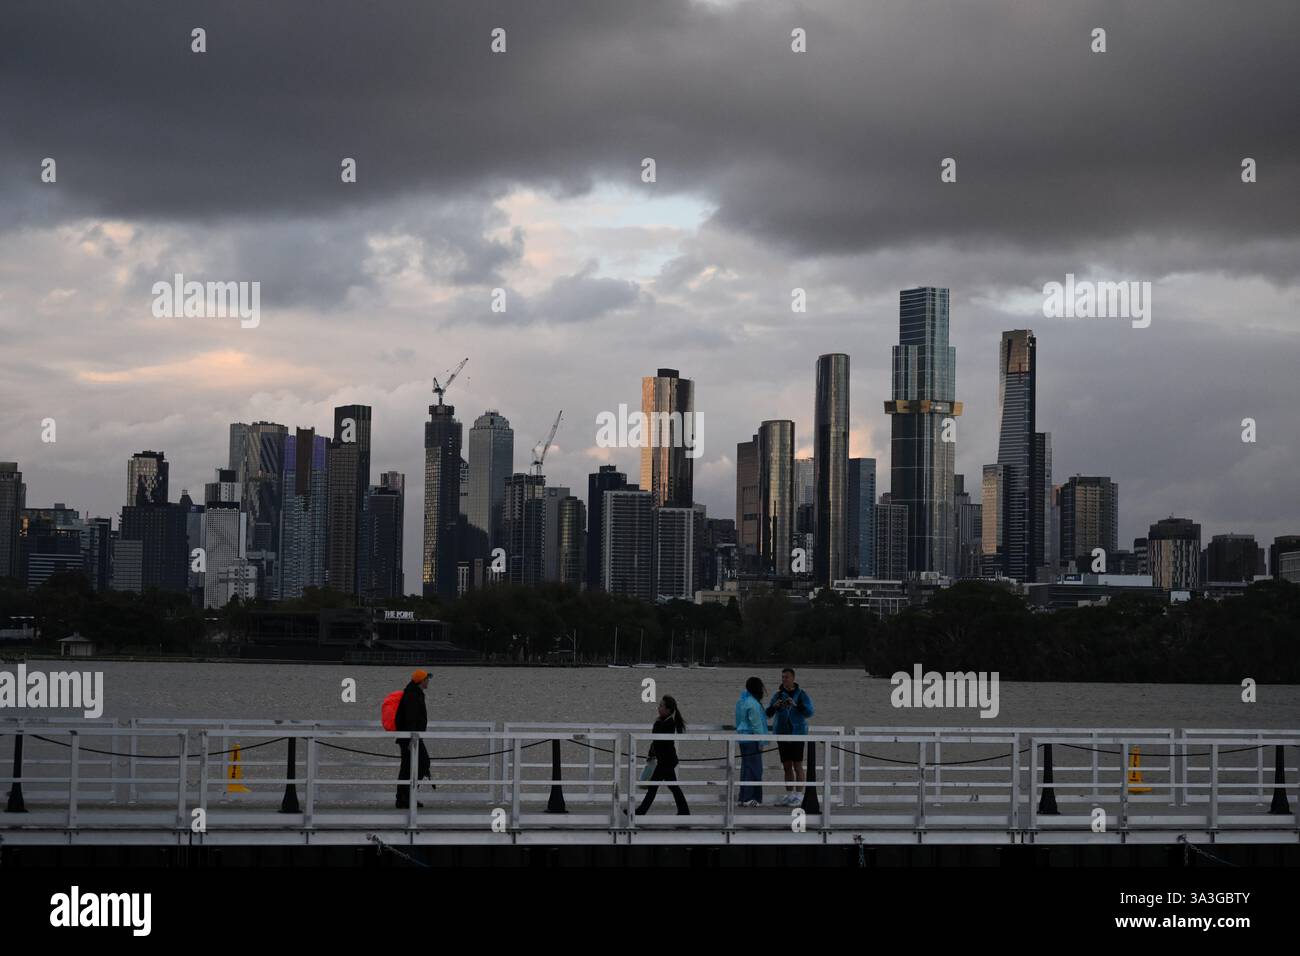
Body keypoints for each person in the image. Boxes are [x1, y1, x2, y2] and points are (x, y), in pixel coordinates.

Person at [767, 667, 815, 806]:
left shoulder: (801, 694)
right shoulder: (777, 695)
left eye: (786, 677)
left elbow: (809, 712)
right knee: (786, 765)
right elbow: (768, 713)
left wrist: (795, 705)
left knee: (797, 765)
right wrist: (775, 706)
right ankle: (789, 795)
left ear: (793, 678)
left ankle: (799, 796)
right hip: (782, 734)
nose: (784, 680)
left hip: (798, 734)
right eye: (782, 677)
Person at [635, 695, 690, 816]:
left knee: (654, 787)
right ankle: (684, 811)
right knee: (672, 787)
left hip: (666, 762)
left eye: (661, 706)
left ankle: (640, 812)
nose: (658, 708)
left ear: (668, 710)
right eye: (659, 705)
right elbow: (655, 742)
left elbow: (660, 742)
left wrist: (657, 724)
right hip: (665, 761)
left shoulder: (668, 723)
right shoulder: (663, 722)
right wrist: (651, 754)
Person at [394, 669, 431, 809]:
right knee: (421, 763)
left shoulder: (414, 693)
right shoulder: (412, 695)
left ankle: (404, 798)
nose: (428, 681)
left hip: (412, 737)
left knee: (408, 767)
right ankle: (406, 797)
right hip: (411, 738)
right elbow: (410, 719)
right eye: (427, 679)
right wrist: (411, 740)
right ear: (421, 681)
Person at [734, 676, 768, 807]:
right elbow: (757, 725)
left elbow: (738, 720)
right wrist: (761, 741)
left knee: (746, 767)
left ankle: (743, 797)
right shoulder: (753, 703)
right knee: (755, 769)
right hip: (752, 739)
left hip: (743, 738)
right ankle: (751, 797)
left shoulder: (741, 701)